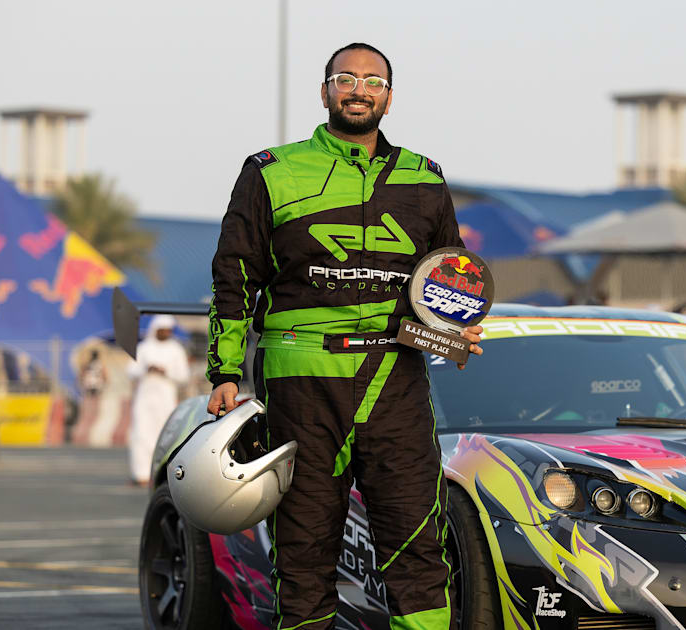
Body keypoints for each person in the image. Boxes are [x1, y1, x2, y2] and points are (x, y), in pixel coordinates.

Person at [205, 42, 482, 630]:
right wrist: (225, 372)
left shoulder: (425, 178)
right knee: (305, 554)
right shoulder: (269, 171)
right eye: (346, 78)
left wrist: (455, 332)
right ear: (325, 90)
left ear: (389, 96)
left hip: (395, 380)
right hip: (301, 382)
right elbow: (234, 276)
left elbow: (449, 276)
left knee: (418, 550)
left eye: (373, 81)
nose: (360, 90)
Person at [128, 315, 189, 486]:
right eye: (162, 330)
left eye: (168, 330)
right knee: (141, 434)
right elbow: (131, 370)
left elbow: (183, 375)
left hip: (165, 398)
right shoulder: (143, 348)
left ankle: (162, 475)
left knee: (166, 434)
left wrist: (165, 371)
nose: (165, 333)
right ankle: (141, 474)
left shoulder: (176, 349)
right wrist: (146, 369)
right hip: (144, 398)